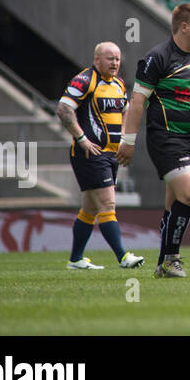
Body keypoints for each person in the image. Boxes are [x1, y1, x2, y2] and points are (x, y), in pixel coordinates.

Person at [117, 3, 190, 279]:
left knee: (174, 203)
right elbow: (138, 101)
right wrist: (128, 141)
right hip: (165, 137)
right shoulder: (158, 57)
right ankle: (171, 260)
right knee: (189, 193)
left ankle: (162, 264)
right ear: (184, 26)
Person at [56, 42, 144, 270]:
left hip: (110, 155)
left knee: (90, 209)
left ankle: (76, 259)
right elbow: (64, 109)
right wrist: (81, 138)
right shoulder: (85, 80)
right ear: (97, 60)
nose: (115, 63)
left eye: (117, 59)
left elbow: (124, 113)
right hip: (89, 153)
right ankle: (123, 257)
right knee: (107, 204)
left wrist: (123, 138)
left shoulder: (119, 84)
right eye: (109, 58)